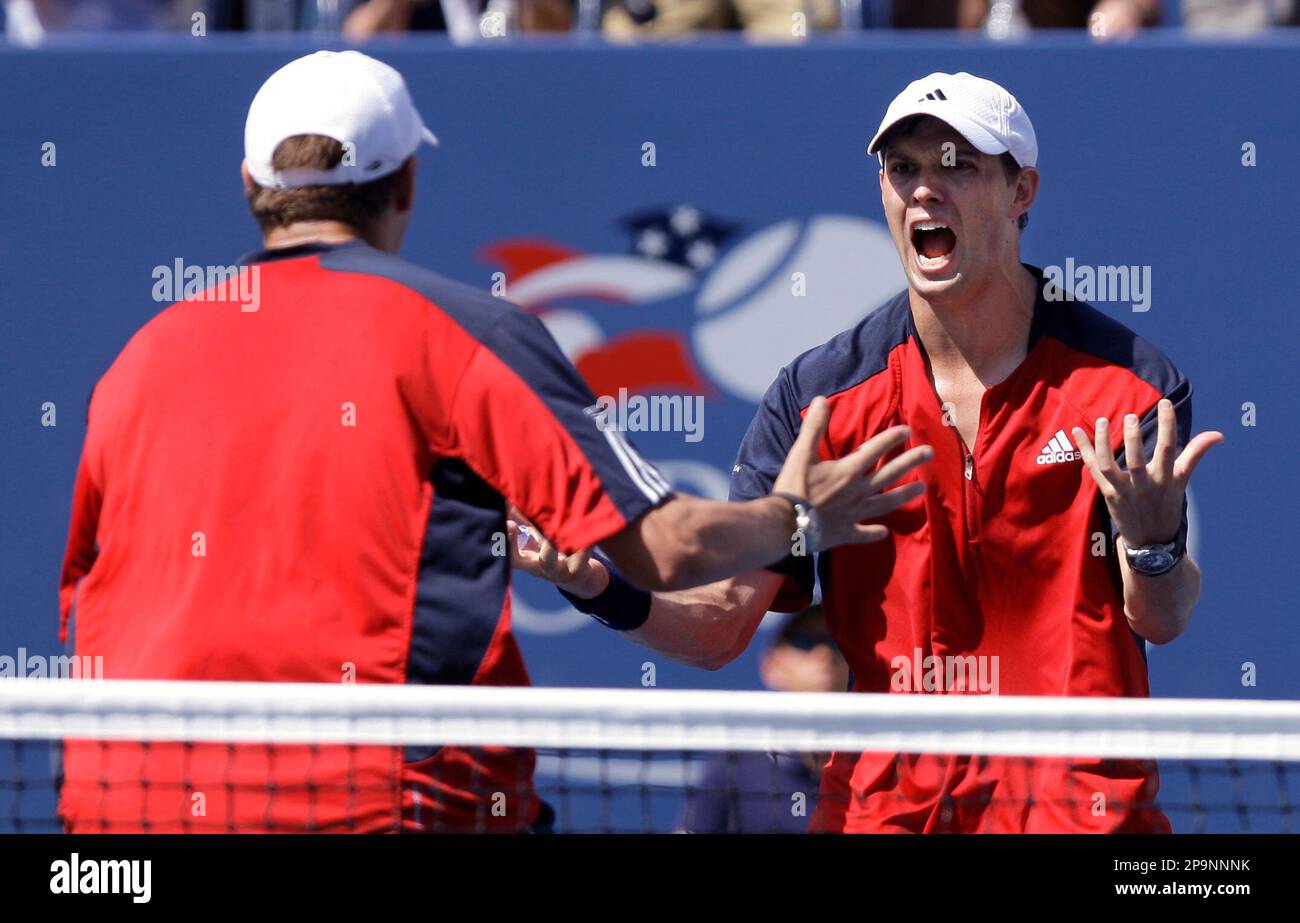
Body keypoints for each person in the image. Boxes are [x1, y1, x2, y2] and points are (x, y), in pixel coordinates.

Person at [55, 50, 930, 833]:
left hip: (117, 813)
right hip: (373, 802)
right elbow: (665, 546)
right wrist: (798, 516)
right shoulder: (460, 332)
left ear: (249, 181)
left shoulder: (132, 366)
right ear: (404, 186)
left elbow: (83, 599)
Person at [512, 72, 1223, 833]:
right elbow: (722, 625)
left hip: (1080, 818)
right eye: (904, 168)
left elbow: (1163, 616)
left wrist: (1151, 545)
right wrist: (595, 583)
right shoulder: (818, 397)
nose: (925, 190)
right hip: (884, 816)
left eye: (958, 164)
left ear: (1022, 193)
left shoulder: (1130, 383)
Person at [676, 606, 847, 834]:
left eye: (835, 640)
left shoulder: (886, 763)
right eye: (805, 642)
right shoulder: (733, 768)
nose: (823, 654)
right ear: (772, 665)